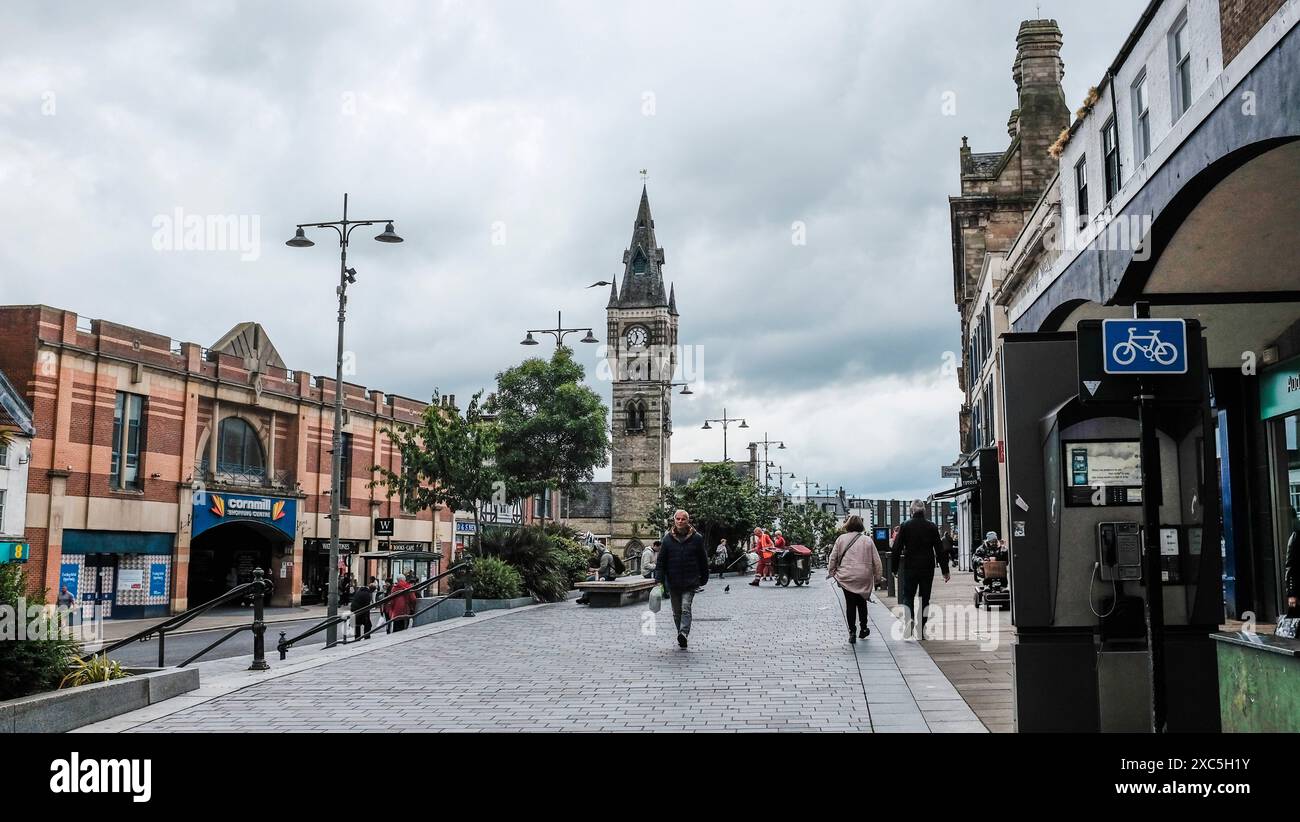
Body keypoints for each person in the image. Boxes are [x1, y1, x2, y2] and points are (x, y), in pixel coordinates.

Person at [891, 500, 950, 640]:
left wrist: (894, 568)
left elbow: (896, 548)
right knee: (925, 598)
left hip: (910, 566)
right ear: (924, 511)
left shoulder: (905, 526)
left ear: (911, 511)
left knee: (908, 596)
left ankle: (909, 623)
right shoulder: (931, 526)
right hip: (927, 567)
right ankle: (922, 630)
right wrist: (945, 570)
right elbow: (940, 550)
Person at [655, 509, 710, 649]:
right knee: (676, 612)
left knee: (686, 608)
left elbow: (703, 559)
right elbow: (661, 562)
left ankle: (684, 633)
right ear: (674, 520)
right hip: (673, 582)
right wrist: (659, 580)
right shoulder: (667, 539)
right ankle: (680, 632)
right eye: (678, 519)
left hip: (690, 580)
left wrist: (704, 577)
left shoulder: (696, 538)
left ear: (687, 521)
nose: (680, 521)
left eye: (683, 519)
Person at [827, 515, 884, 644]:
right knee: (862, 602)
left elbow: (833, 557)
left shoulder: (841, 539)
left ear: (847, 525)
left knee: (850, 604)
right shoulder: (868, 540)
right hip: (863, 576)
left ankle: (852, 631)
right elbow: (877, 561)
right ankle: (863, 628)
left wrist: (831, 572)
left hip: (847, 576)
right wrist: (878, 577)